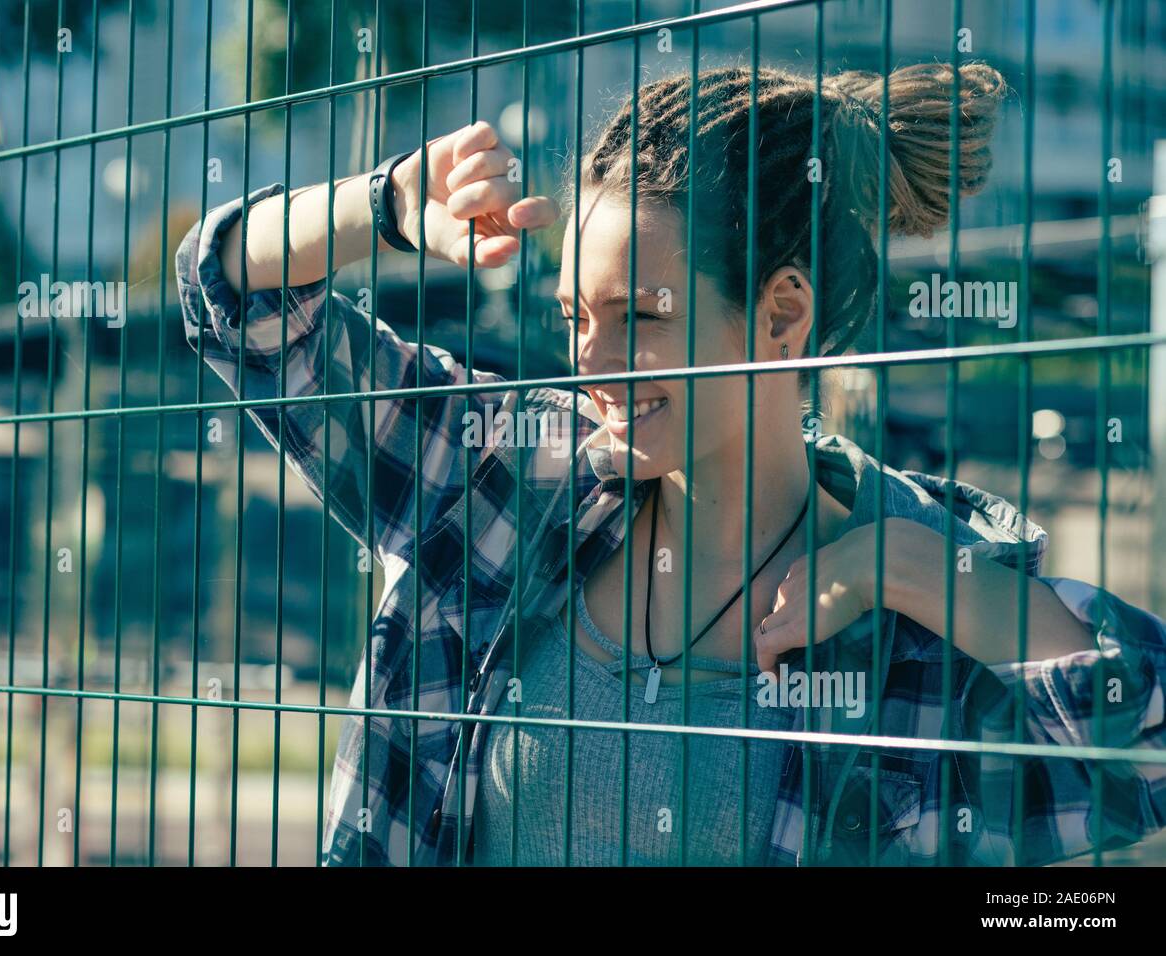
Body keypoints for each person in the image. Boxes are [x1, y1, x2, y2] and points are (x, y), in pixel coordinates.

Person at [174, 61, 1166, 867]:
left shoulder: (910, 632)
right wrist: (384, 205)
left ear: (781, 314)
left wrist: (902, 564)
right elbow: (232, 298)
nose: (589, 363)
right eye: (573, 316)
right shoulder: (497, 477)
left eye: (639, 317)